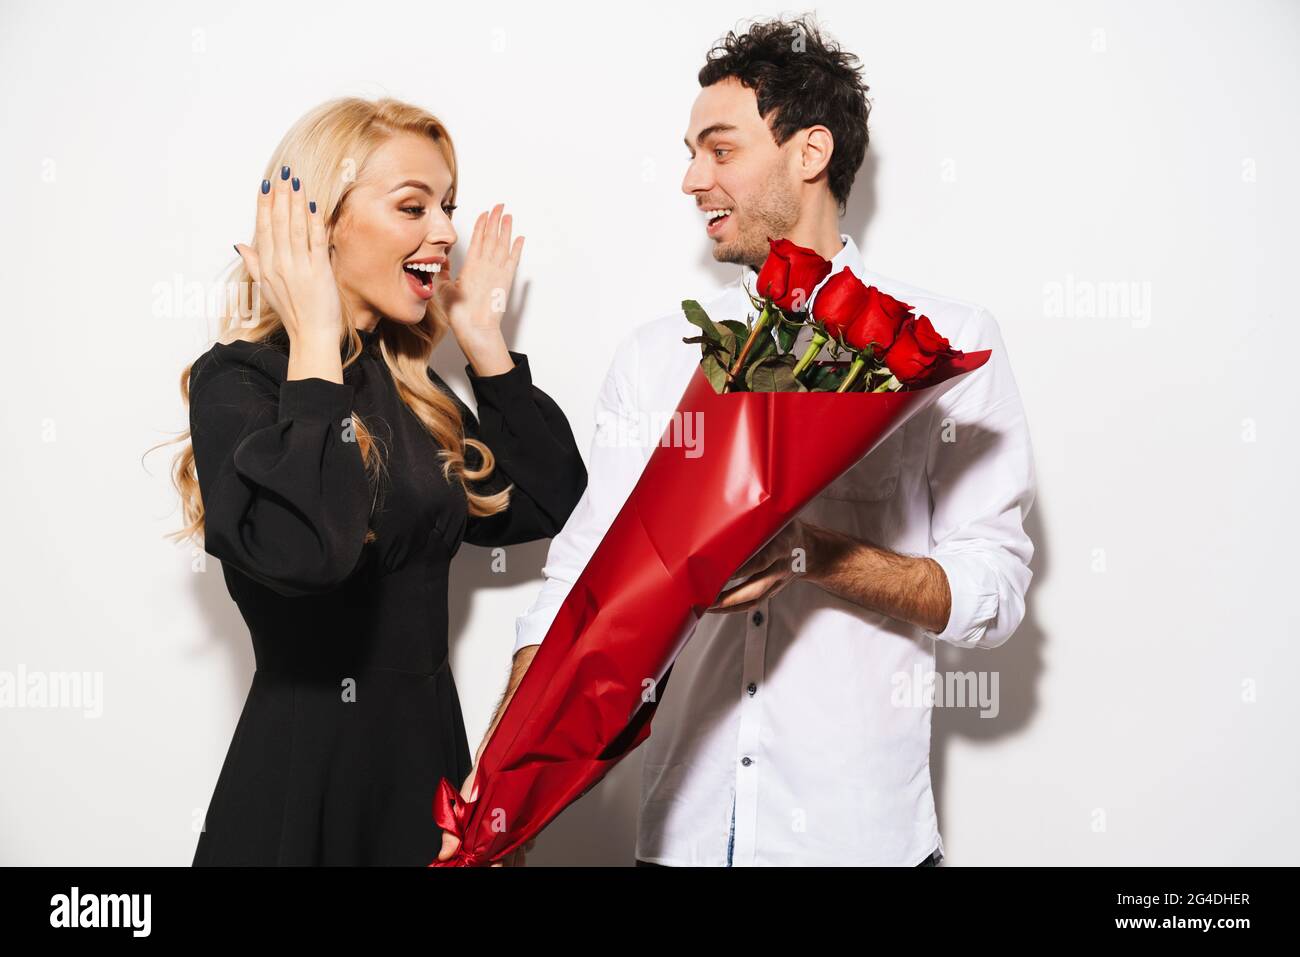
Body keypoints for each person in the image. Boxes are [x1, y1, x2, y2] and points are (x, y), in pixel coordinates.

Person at [443, 15, 1036, 867]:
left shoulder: (949, 344)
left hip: (857, 840)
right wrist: (500, 788)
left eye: (718, 150)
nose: (691, 178)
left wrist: (817, 556)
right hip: (681, 833)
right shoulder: (656, 360)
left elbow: (995, 592)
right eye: (689, 152)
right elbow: (577, 579)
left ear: (810, 152)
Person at [171, 97, 586, 866]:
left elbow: (553, 500)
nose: (446, 232)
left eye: (448, 206)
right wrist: (317, 343)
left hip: (427, 764)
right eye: (412, 205)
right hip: (304, 780)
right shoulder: (238, 382)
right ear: (322, 222)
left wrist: (486, 346)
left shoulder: (411, 391)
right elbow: (308, 552)